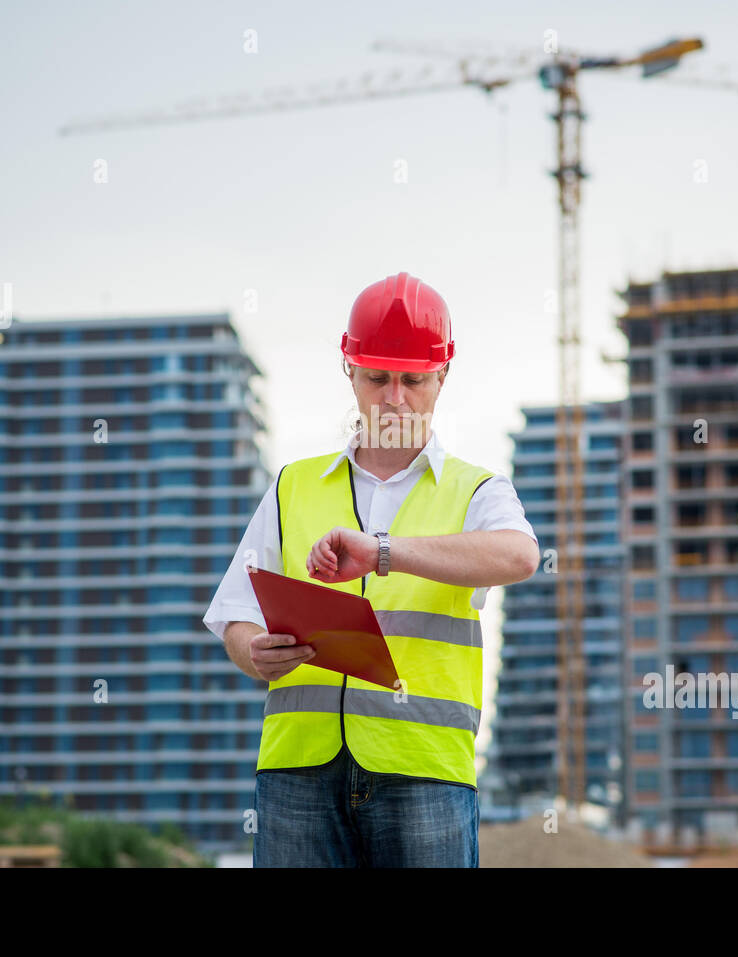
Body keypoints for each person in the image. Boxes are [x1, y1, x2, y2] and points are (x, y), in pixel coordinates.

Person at [202, 271, 540, 867]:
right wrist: (255, 650)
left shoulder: (477, 490)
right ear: (348, 370)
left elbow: (519, 555)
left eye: (413, 380)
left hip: (422, 769)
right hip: (298, 771)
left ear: (443, 376)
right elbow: (235, 613)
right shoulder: (292, 485)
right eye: (378, 378)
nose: (395, 398)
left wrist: (384, 552)